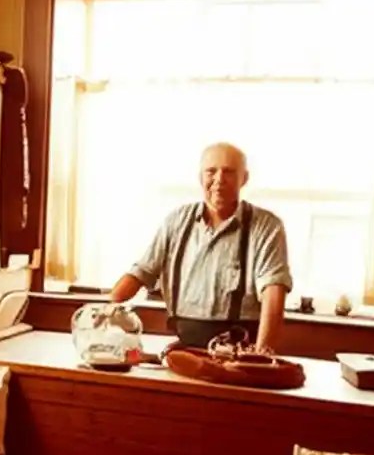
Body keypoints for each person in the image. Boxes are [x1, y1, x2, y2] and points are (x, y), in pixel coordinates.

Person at [110, 143, 292, 352]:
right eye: (211, 171)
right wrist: (105, 308)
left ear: (245, 178)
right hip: (186, 348)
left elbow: (273, 294)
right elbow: (142, 272)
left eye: (229, 172)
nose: (219, 179)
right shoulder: (176, 221)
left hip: (239, 353)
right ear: (200, 177)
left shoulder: (267, 227)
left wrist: (261, 357)